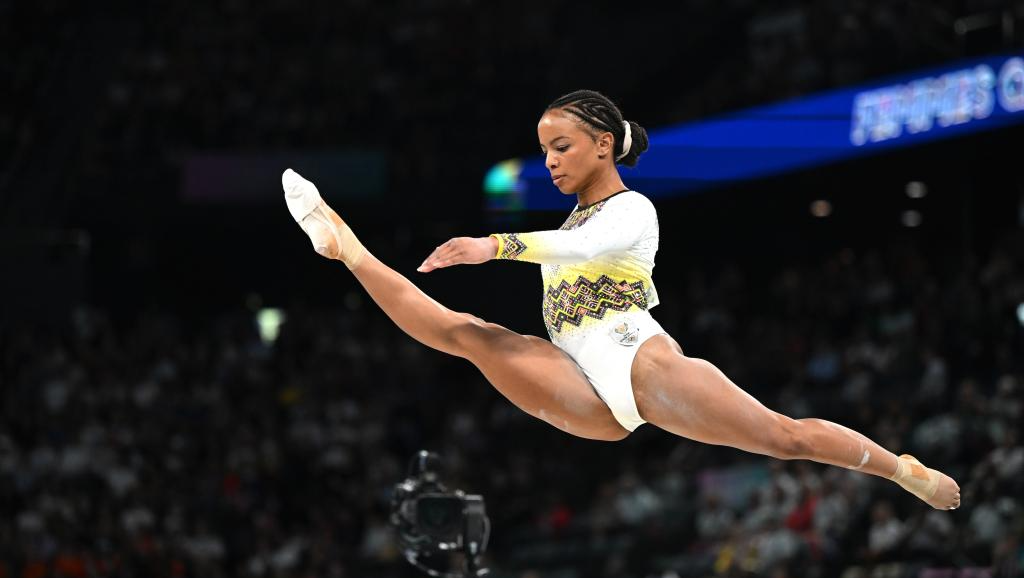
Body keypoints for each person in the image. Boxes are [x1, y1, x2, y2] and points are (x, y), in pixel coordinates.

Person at [281, 89, 960, 511]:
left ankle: (902, 469)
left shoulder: (634, 210)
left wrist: (494, 245)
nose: (550, 160)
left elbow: (579, 251)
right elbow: (568, 245)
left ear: (603, 145)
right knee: (471, 335)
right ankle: (347, 247)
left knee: (786, 437)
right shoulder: (570, 221)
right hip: (585, 385)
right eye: (544, 149)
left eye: (562, 146)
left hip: (642, 365)